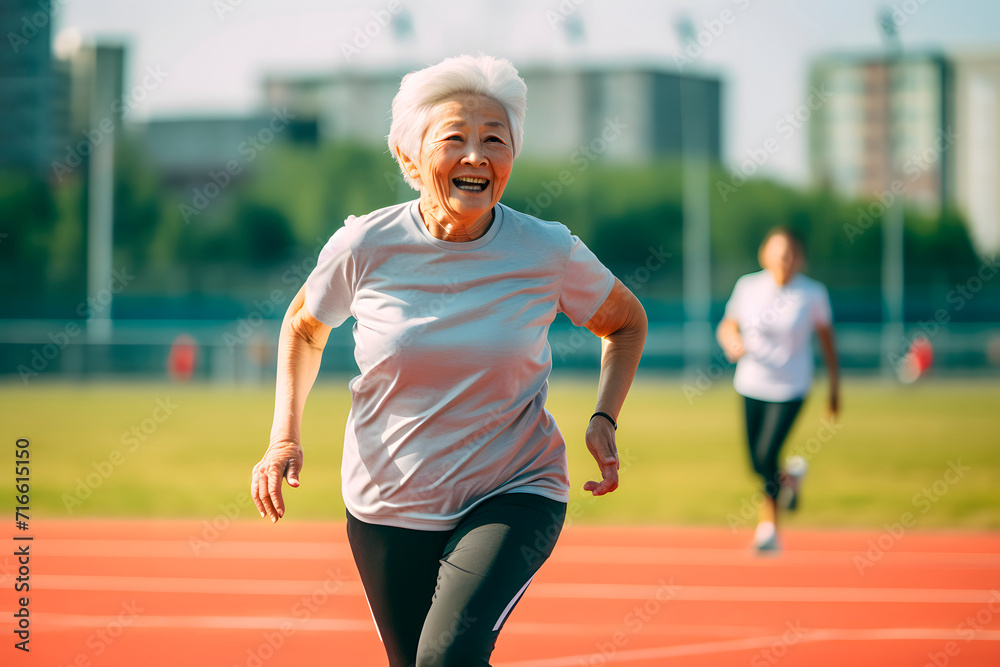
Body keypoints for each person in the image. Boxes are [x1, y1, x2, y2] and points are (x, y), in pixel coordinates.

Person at [249, 54, 647, 666]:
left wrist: (604, 417)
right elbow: (304, 328)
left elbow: (623, 322)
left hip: (515, 489)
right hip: (387, 502)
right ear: (410, 159)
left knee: (447, 657)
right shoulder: (364, 245)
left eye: (495, 140)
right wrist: (283, 438)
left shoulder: (547, 250)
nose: (476, 157)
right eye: (454, 139)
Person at [716, 227, 839, 553]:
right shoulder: (748, 286)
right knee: (755, 463)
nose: (784, 259)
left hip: (791, 386)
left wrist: (835, 388)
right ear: (764, 254)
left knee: (767, 454)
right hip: (750, 383)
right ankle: (790, 478)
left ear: (800, 258)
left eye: (791, 254)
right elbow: (728, 324)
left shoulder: (813, 294)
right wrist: (732, 340)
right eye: (778, 252)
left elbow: (828, 342)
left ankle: (769, 530)